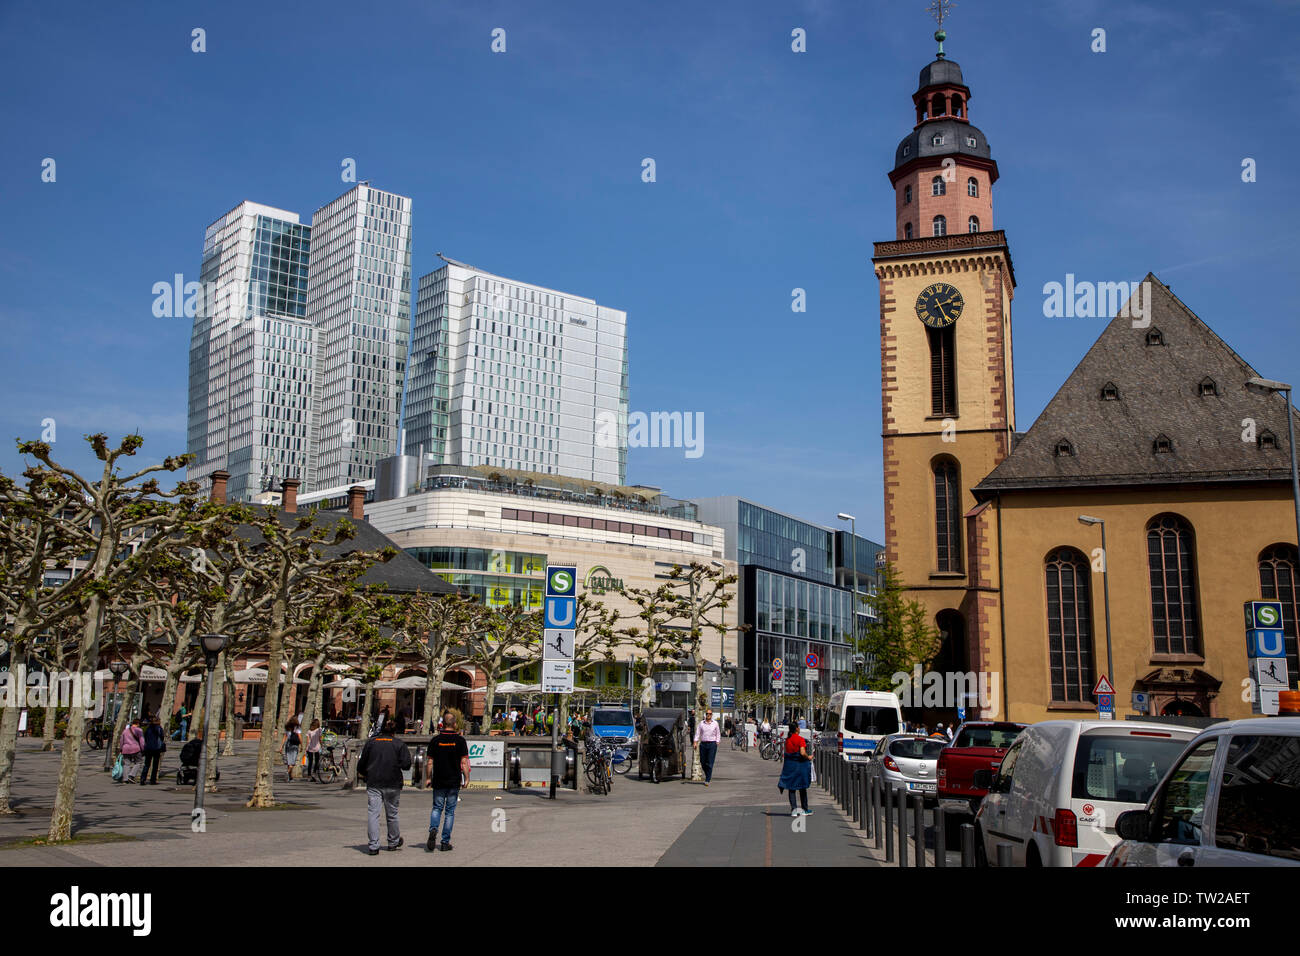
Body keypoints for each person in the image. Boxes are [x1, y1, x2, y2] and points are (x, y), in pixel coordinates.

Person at [356, 722, 411, 855]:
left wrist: (364, 773)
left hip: (374, 781)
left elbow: (361, 764)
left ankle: (374, 845)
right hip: (392, 782)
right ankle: (393, 841)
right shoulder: (399, 744)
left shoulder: (371, 743)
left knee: (373, 814)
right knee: (392, 814)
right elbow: (406, 765)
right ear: (394, 732)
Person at [425, 711, 470, 852]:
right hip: (453, 780)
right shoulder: (460, 741)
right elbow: (464, 763)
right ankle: (445, 842)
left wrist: (428, 777)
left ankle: (433, 829)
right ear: (455, 724)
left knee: (437, 808)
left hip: (439, 779)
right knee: (450, 812)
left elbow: (430, 762)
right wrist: (467, 778)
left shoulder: (435, 740)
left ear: (443, 724)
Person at [778, 721, 814, 816]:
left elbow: (787, 752)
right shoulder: (800, 739)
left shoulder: (788, 740)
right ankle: (805, 809)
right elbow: (802, 753)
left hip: (790, 766)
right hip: (800, 766)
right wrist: (808, 757)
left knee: (792, 788)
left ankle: (794, 810)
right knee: (802, 787)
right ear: (797, 728)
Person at [693, 707, 722, 786]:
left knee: (709, 762)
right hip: (703, 744)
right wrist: (695, 742)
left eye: (710, 714)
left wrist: (717, 741)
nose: (708, 715)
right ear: (705, 715)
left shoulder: (715, 723)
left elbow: (718, 733)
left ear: (712, 715)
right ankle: (708, 774)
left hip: (712, 744)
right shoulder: (701, 723)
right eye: (707, 714)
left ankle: (708, 779)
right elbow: (697, 733)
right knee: (703, 762)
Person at [140, 714, 166, 785]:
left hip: (148, 748)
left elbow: (145, 737)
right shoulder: (159, 728)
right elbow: (162, 737)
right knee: (155, 765)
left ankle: (143, 778)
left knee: (147, 764)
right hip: (156, 748)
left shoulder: (148, 728)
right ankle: (153, 780)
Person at [119, 718, 145, 783]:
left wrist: (121, 748)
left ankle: (125, 779)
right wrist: (143, 749)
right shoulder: (139, 730)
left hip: (126, 749)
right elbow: (142, 741)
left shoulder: (125, 731)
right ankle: (131, 775)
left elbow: (121, 740)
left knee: (126, 764)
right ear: (138, 724)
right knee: (138, 762)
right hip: (135, 748)